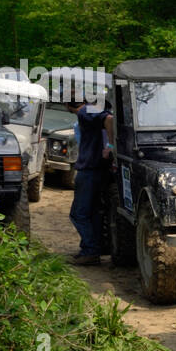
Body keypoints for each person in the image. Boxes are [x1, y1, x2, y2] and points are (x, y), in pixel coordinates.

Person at [67, 86, 114, 265]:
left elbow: (109, 119)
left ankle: (90, 250)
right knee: (93, 212)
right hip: (100, 169)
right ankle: (92, 249)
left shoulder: (85, 111)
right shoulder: (91, 111)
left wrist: (110, 146)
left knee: (78, 213)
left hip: (89, 170)